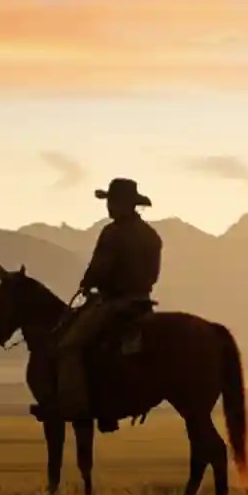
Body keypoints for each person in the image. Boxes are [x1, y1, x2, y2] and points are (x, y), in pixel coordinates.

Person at [54, 178, 162, 432]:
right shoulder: (151, 236)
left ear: (122, 204)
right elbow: (153, 274)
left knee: (70, 345)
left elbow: (101, 267)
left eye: (112, 202)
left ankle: (75, 404)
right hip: (142, 301)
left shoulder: (113, 233)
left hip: (116, 302)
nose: (109, 208)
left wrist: (88, 283)